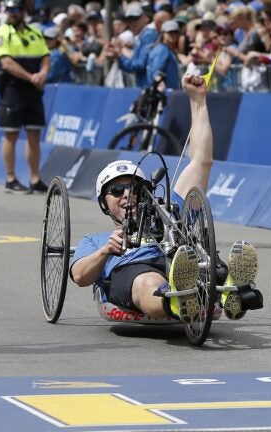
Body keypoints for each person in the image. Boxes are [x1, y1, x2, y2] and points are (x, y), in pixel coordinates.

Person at [69, 73, 260, 323]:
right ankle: (179, 300)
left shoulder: (170, 214)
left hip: (183, 263)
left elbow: (201, 161)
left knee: (203, 261)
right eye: (116, 190)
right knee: (148, 281)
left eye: (135, 188)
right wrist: (106, 251)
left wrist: (198, 100)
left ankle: (227, 290)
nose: (127, 194)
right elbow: (80, 276)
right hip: (133, 270)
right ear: (104, 202)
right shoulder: (96, 241)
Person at [0, 0, 50, 194]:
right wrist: (31, 77)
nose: (13, 13)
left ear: (24, 11)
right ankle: (10, 179)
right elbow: (6, 63)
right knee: (12, 134)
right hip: (12, 89)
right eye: (10, 10)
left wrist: (43, 73)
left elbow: (45, 56)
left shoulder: (35, 32)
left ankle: (35, 179)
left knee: (34, 134)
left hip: (34, 90)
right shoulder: (2, 33)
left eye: (16, 10)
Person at [105, 2, 159, 88]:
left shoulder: (148, 35)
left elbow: (140, 65)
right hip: (145, 86)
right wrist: (118, 55)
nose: (132, 23)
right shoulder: (141, 36)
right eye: (129, 20)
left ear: (145, 18)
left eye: (135, 19)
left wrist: (120, 56)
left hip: (151, 87)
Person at [147, 19, 182, 89]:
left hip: (171, 90)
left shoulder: (168, 49)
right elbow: (157, 70)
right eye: (170, 32)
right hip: (165, 91)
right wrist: (158, 82)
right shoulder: (162, 49)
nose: (173, 35)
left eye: (175, 32)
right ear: (163, 34)